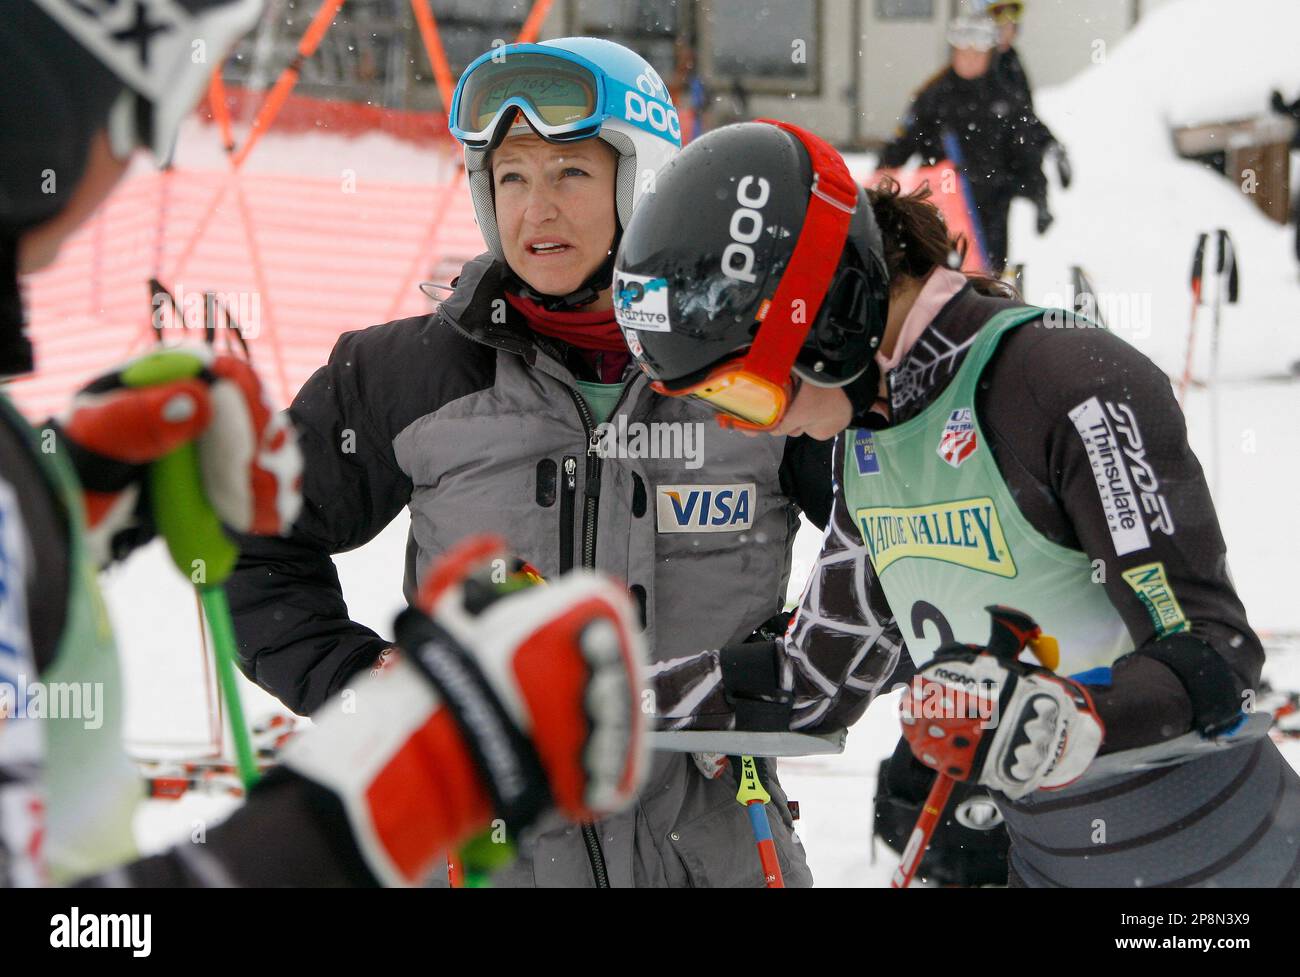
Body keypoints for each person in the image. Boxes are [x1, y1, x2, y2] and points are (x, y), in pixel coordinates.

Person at [0, 0, 646, 887]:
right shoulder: (411, 370)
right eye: (131, 115)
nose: (130, 161)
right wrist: (386, 791)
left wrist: (63, 499)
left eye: (572, 171)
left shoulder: (736, 368)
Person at [613, 118, 1300, 887]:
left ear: (828, 318)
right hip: (1050, 867)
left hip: (1232, 874)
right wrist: (598, 702)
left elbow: (1214, 655)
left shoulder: (1064, 381)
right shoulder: (870, 439)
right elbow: (813, 678)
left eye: (743, 389)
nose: (751, 426)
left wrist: (1070, 715)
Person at [225, 37, 832, 888]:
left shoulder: (757, 372)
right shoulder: (404, 376)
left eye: (570, 175)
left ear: (642, 180)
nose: (535, 209)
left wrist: (804, 659)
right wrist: (364, 681)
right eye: (511, 177)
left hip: (715, 862)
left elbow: (904, 528)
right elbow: (250, 539)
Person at [880, 15, 1053, 273]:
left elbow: (1025, 153)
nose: (970, 58)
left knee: (986, 280)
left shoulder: (1006, 99)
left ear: (990, 54)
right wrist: (880, 188)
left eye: (978, 52)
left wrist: (1039, 198)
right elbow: (901, 145)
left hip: (990, 210)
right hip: (941, 209)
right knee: (941, 276)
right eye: (963, 51)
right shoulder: (934, 96)